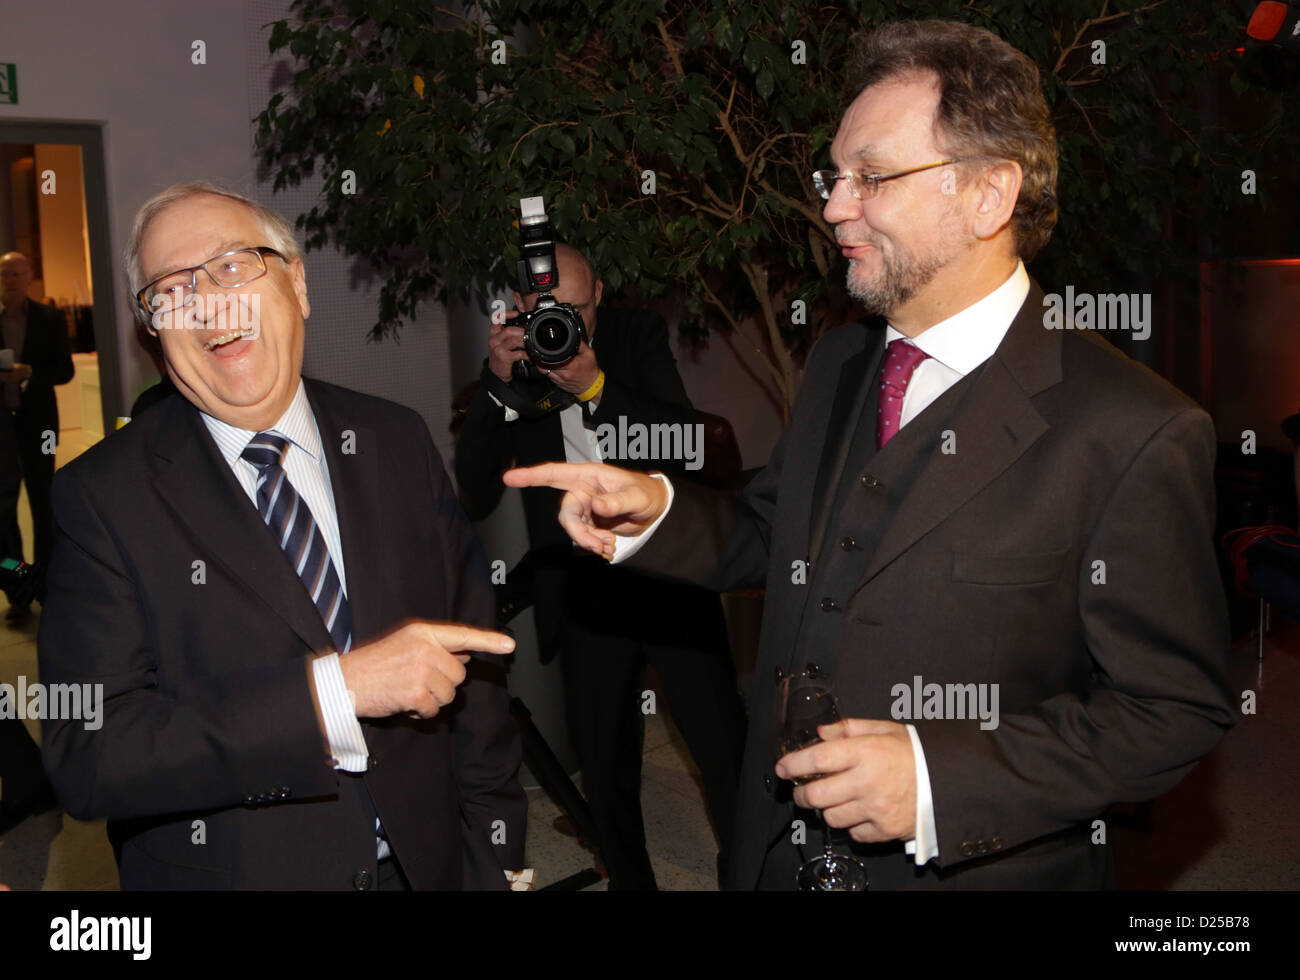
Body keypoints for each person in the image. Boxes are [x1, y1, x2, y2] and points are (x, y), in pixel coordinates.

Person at [505, 20, 1237, 890]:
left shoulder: (1135, 428)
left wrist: (938, 780)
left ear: (988, 196)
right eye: (834, 176)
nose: (833, 207)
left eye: (873, 178)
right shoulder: (843, 361)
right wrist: (658, 511)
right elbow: (776, 528)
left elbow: (1172, 712)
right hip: (775, 850)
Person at [37, 183, 525, 890]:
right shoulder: (100, 498)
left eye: (234, 264)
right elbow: (89, 756)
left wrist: (496, 859)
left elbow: (477, 678)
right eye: (172, 289)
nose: (211, 303)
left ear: (297, 283)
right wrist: (333, 693)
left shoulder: (395, 438)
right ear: (153, 331)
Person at [456, 243, 746, 889]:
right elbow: (475, 489)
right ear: (520, 309)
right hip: (583, 582)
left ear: (602, 296)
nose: (558, 323)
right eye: (541, 310)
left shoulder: (634, 337)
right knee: (604, 760)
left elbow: (688, 447)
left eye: (574, 309)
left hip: (669, 571)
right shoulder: (517, 363)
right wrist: (496, 385)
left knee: (720, 743)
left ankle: (746, 872)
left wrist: (594, 386)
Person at [0, 252, 74, 620]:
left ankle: (45, 583)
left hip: (39, 424)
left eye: (17, 271)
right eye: (4, 273)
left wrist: (29, 372)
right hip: (2, 429)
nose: (10, 278)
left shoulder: (48, 317)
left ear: (29, 275)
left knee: (44, 503)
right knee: (2, 510)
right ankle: (16, 583)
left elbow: (64, 371)